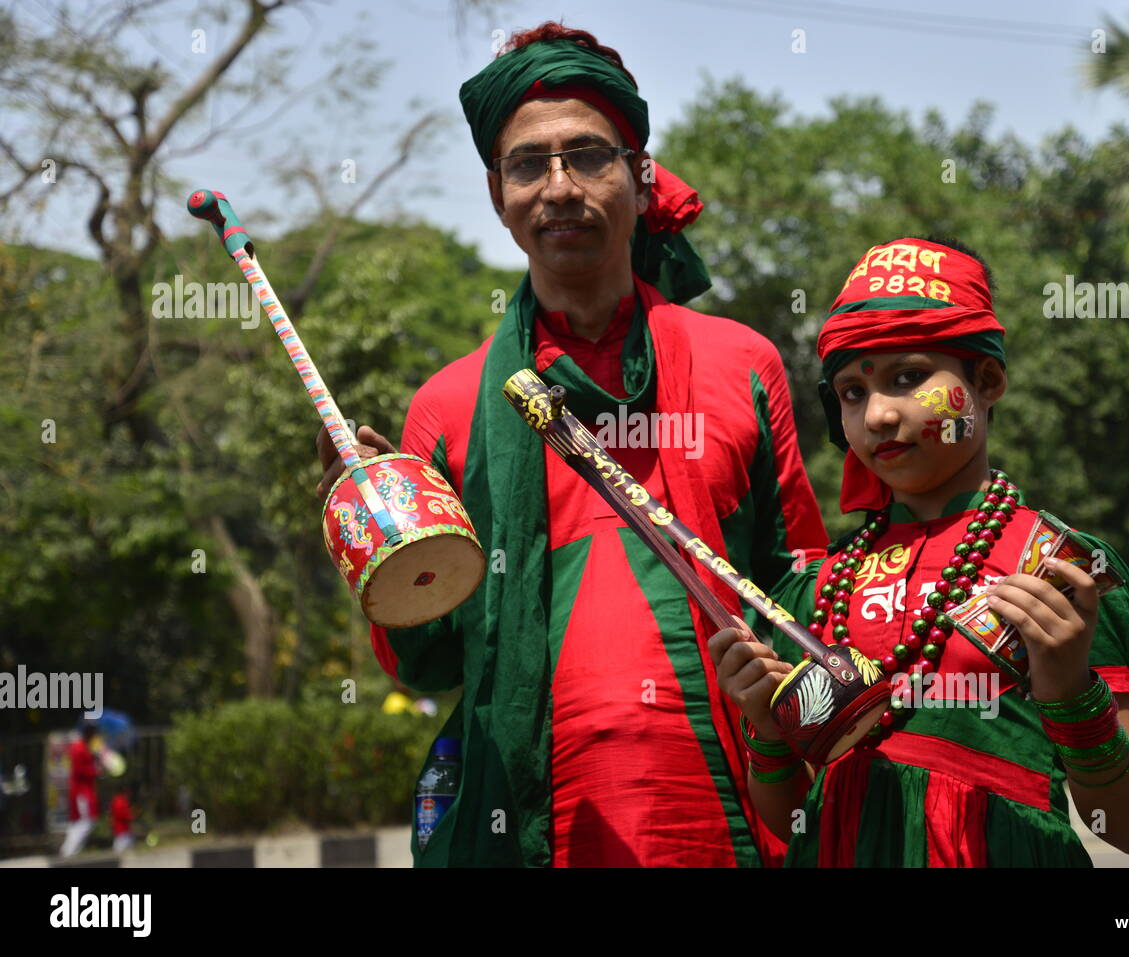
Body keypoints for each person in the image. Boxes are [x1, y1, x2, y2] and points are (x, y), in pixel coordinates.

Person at [316, 22, 827, 867]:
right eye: (528, 163)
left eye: (588, 156)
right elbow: (432, 656)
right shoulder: (446, 408)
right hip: (527, 829)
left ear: (641, 175)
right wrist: (379, 540)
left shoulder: (743, 364)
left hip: (738, 824)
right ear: (496, 193)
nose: (559, 186)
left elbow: (795, 585)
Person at [709, 237, 1129, 865]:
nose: (877, 415)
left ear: (988, 380)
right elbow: (791, 816)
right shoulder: (819, 588)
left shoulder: (1060, 569)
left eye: (909, 377)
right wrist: (766, 725)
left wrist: (1068, 691)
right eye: (851, 391)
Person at [59, 721, 101, 858]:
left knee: (79, 822)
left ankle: (69, 852)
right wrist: (97, 770)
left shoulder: (84, 747)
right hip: (81, 792)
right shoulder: (79, 748)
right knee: (86, 821)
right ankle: (68, 851)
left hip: (83, 791)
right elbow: (80, 770)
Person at [110, 786, 136, 854]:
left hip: (125, 830)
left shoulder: (122, 800)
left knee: (130, 846)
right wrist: (131, 817)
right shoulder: (119, 801)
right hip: (121, 830)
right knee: (119, 849)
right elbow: (121, 813)